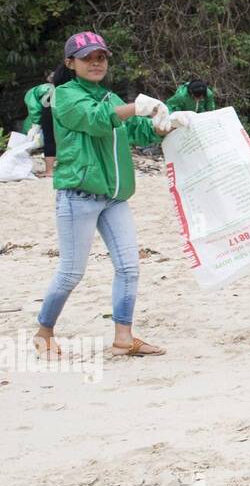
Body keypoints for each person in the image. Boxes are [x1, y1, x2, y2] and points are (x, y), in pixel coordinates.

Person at [35, 31, 184, 360]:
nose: (96, 62)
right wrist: (136, 106)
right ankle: (44, 332)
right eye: (87, 57)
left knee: (129, 267)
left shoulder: (109, 96)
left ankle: (123, 338)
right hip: (79, 195)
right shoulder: (64, 96)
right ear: (70, 63)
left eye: (100, 56)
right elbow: (97, 121)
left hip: (114, 197)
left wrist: (163, 124)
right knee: (72, 271)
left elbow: (134, 131)